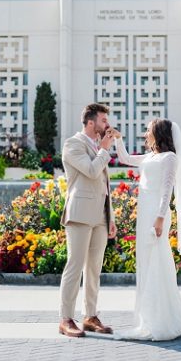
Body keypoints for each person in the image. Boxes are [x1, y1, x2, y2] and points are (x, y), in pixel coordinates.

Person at [112, 119, 181, 341]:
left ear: (158, 133)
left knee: (157, 260)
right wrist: (118, 139)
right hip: (145, 212)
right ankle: (148, 318)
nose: (145, 133)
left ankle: (161, 321)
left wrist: (160, 218)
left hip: (156, 215)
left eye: (148, 130)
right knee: (145, 260)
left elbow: (166, 190)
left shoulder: (169, 158)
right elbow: (125, 159)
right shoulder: (150, 157)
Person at [58, 103, 117, 338]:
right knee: (75, 265)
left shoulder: (98, 146)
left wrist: (110, 217)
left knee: (94, 268)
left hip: (100, 217)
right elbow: (91, 171)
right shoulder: (73, 144)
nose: (107, 125)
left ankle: (90, 316)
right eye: (103, 120)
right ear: (91, 122)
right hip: (80, 214)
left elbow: (103, 185)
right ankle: (65, 319)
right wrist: (104, 150)